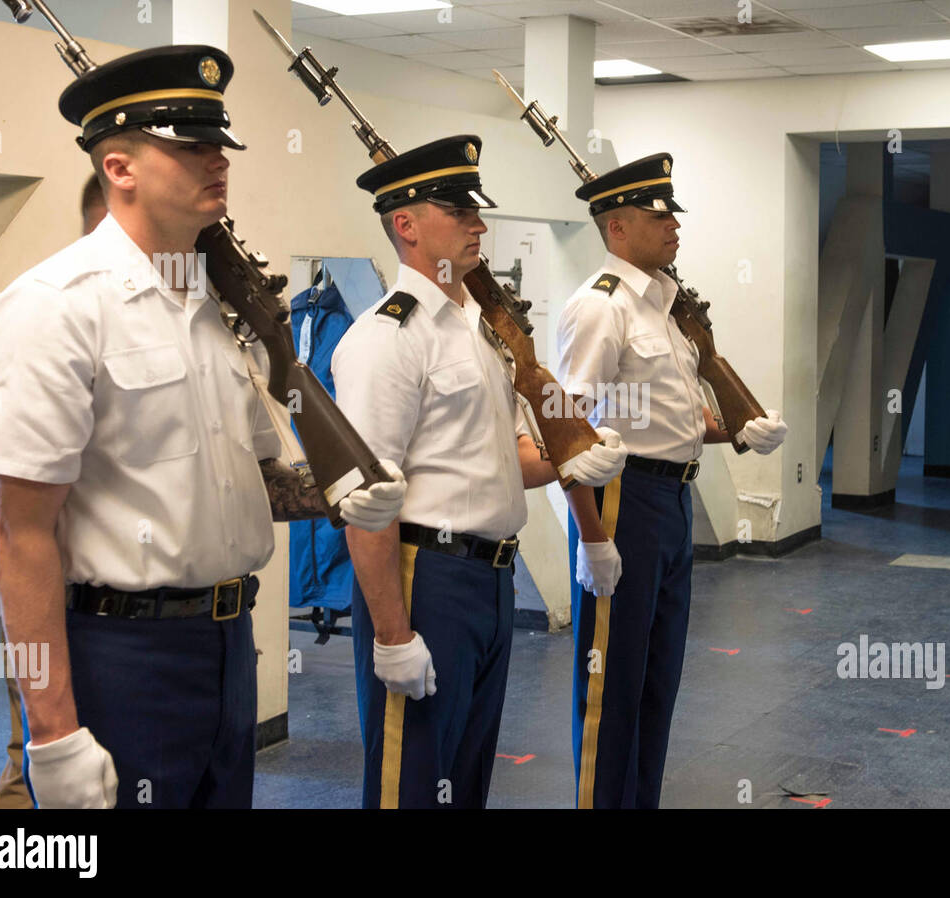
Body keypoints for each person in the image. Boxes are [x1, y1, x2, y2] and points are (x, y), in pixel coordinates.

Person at [0, 45, 405, 810]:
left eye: (220, 143)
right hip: (122, 655)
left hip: (229, 646)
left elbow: (253, 480)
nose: (218, 159)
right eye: (189, 146)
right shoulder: (55, 307)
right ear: (119, 168)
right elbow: (22, 536)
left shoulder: (217, 311)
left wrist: (336, 494)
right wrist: (52, 732)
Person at [332, 135, 627, 809]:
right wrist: (392, 634)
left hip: (490, 581)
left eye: (476, 211)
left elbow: (504, 462)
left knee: (464, 782)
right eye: (458, 211)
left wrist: (575, 455)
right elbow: (365, 503)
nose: (479, 225)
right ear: (406, 225)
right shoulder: (386, 338)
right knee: (412, 782)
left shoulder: (480, 331)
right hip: (425, 578)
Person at [556, 154, 788, 808]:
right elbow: (567, 431)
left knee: (656, 685)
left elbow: (663, 416)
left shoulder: (666, 306)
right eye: (659, 216)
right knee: (611, 688)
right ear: (617, 228)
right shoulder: (601, 307)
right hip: (622, 500)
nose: (675, 226)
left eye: (674, 216)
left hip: (671, 499)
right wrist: (592, 537)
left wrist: (740, 429)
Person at [0, 174, 109, 811]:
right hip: (63, 604)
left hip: (144, 627)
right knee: (35, 768)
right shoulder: (51, 310)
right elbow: (20, 530)